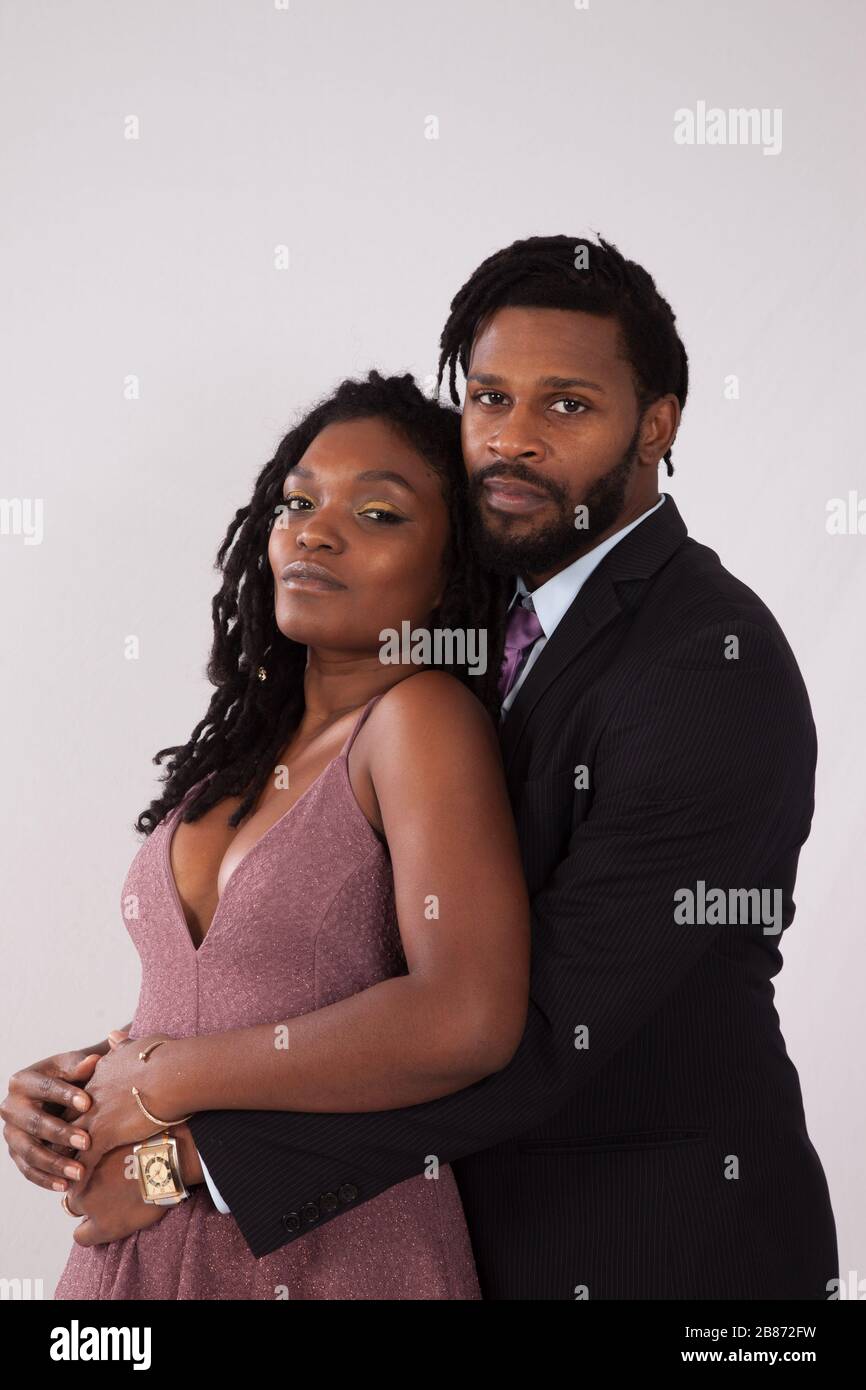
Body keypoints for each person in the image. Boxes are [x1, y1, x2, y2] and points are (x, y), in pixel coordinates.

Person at [6, 234, 838, 1300]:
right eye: (489, 398)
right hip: (431, 1232)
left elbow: (522, 1029)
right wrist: (92, 1090)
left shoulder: (702, 667)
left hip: (657, 1252)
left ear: (657, 424)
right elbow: (331, 965)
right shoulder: (461, 636)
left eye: (566, 405)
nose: (513, 440)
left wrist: (182, 1148)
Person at [3, 370, 530, 1299]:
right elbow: (224, 1005)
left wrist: (158, 1080)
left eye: (379, 514)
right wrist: (76, 1094)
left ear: (454, 566)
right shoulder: (235, 762)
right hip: (140, 1248)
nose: (317, 530)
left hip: (334, 1250)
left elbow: (465, 1016)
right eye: (299, 502)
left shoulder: (420, 718)